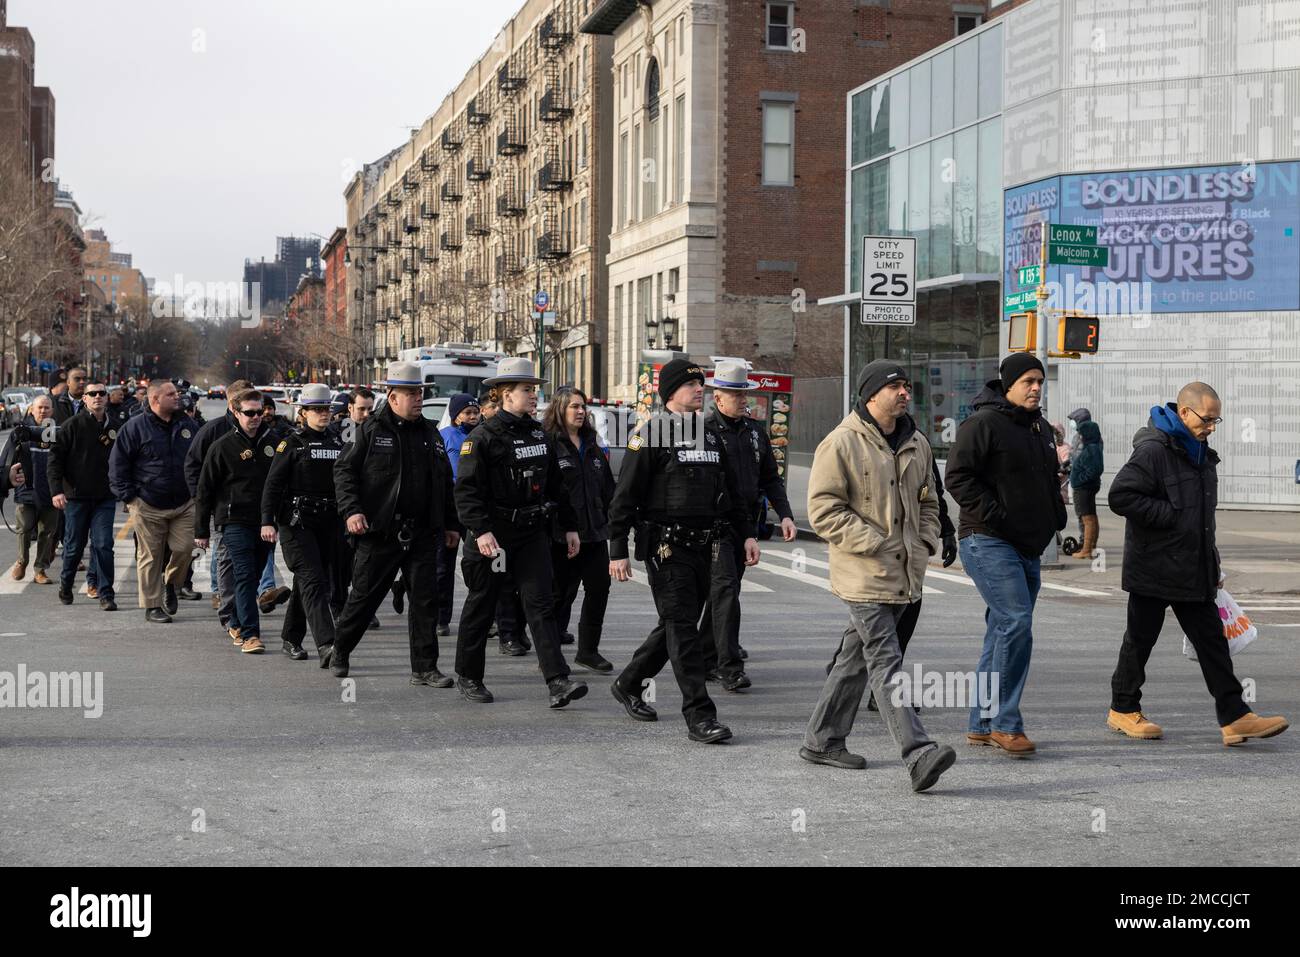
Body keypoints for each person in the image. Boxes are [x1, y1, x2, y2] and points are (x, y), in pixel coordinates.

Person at [801, 360, 956, 792]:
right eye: (895, 387)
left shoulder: (917, 442)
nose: (905, 393)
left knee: (855, 658)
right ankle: (918, 752)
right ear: (871, 395)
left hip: (905, 571)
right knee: (886, 661)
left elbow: (930, 501)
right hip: (864, 573)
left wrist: (925, 541)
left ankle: (822, 740)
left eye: (907, 386)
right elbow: (824, 510)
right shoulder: (841, 443)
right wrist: (876, 542)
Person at [1106, 382, 1288, 746]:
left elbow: (1203, 518)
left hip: (1193, 566)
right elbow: (1120, 495)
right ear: (1185, 412)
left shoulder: (1202, 454)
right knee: (1141, 640)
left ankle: (1235, 716)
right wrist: (1169, 515)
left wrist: (1212, 560)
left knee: (1212, 642)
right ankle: (1123, 709)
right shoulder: (1154, 450)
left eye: (1217, 420)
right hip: (1154, 567)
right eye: (1208, 419)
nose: (1212, 427)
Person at [607, 358, 757, 744]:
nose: (699, 390)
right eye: (691, 384)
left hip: (705, 546)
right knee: (683, 629)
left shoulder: (709, 434)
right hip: (666, 547)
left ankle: (628, 683)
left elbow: (732, 494)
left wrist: (746, 535)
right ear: (670, 391)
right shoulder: (649, 433)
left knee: (676, 624)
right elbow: (624, 497)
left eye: (701, 384)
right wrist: (617, 549)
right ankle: (700, 716)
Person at [944, 354, 1067, 756]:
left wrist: (1057, 515)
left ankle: (981, 722)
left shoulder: (1040, 429)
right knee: (1016, 622)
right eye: (1028, 381)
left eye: (1040, 381)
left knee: (1001, 629)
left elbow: (1049, 478)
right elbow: (958, 478)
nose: (1035, 388)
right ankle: (1004, 722)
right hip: (988, 539)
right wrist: (999, 516)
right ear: (1009, 384)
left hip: (1028, 545)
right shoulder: (983, 423)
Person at [452, 358, 587, 708]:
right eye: (527, 390)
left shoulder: (538, 434)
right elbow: (466, 491)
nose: (533, 396)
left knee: (540, 605)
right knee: (483, 605)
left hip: (530, 534)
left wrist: (570, 526)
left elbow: (558, 486)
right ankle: (469, 675)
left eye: (534, 390)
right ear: (504, 394)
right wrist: (480, 531)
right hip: (495, 539)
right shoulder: (483, 437)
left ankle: (558, 681)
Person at [328, 362, 460, 686]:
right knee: (363, 598)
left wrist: (451, 524)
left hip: (422, 533)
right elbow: (344, 472)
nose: (418, 399)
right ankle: (341, 650)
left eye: (420, 393)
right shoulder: (371, 430)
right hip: (380, 532)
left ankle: (425, 668)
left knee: (425, 602)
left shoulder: (430, 432)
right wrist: (352, 512)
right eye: (411, 393)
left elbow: (444, 482)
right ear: (391, 395)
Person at [698, 359, 795, 690]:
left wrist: (784, 513)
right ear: (718, 397)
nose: (742, 400)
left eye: (744, 394)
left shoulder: (755, 432)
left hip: (747, 524)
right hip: (716, 525)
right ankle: (729, 665)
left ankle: (706, 655)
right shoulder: (704, 431)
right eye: (735, 395)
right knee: (725, 591)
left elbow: (770, 477)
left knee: (724, 593)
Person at [261, 383, 344, 660]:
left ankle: (290, 638)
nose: (323, 414)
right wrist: (267, 521)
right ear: (303, 413)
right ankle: (327, 644)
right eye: (317, 410)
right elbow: (272, 486)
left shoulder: (337, 442)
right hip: (297, 523)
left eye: (326, 409)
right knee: (313, 579)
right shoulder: (292, 443)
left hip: (328, 523)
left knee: (306, 581)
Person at [108, 379, 198, 623]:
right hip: (147, 502)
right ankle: (152, 605)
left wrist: (198, 491)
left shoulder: (187, 424)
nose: (177, 397)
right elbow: (118, 465)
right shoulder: (135, 427)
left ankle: (171, 583)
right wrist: (129, 497)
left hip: (183, 502)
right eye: (170, 394)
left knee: (185, 548)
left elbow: (200, 458)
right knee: (150, 556)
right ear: (155, 399)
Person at [194, 388, 276, 653]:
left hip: (266, 521)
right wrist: (201, 531)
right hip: (233, 520)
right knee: (243, 573)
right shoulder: (222, 446)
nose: (255, 418)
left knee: (252, 576)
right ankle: (251, 635)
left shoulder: (275, 442)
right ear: (236, 412)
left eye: (259, 412)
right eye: (249, 413)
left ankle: (237, 621)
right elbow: (204, 490)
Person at [541, 386, 615, 673]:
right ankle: (551, 654)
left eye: (583, 406)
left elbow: (608, 488)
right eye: (574, 406)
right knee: (560, 594)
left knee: (599, 589)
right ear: (559, 409)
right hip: (560, 536)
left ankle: (588, 651)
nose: (581, 411)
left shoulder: (592, 444)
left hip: (594, 533)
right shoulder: (549, 443)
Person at [47, 379, 119, 611]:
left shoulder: (116, 426)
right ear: (84, 399)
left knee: (103, 545)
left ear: (107, 398)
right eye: (92, 394)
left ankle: (106, 593)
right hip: (76, 497)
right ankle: (66, 584)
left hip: (105, 497)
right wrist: (56, 491)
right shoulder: (71, 425)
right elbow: (54, 460)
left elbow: (126, 460)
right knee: (74, 546)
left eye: (102, 393)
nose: (98, 397)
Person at [185, 379, 254, 616]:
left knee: (255, 551)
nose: (254, 415)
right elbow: (193, 466)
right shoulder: (213, 431)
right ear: (233, 404)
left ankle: (264, 590)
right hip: (220, 506)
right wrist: (200, 499)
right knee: (223, 551)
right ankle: (219, 593)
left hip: (253, 507)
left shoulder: (262, 432)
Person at [328, 386, 377, 627]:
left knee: (364, 564)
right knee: (339, 562)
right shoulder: (335, 433)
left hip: (367, 507)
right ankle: (337, 605)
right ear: (349, 408)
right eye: (361, 409)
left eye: (370, 409)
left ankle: (364, 607)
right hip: (339, 507)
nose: (367, 414)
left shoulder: (377, 432)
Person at [435, 392, 480, 637]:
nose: (473, 417)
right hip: (451, 507)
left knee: (480, 563)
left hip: (475, 507)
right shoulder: (444, 437)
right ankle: (441, 617)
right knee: (443, 565)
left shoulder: (484, 437)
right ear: (455, 416)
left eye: (475, 412)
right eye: (467, 413)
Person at [3, 395, 58, 584]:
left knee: (47, 531)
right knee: (24, 528)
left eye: (47, 408)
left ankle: (40, 569)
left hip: (52, 490)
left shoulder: (58, 432)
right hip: (26, 489)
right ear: (32, 410)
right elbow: (6, 458)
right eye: (40, 407)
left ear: (52, 411)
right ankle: (21, 561)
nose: (43, 411)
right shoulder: (20, 432)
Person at [1069, 418, 1104, 560]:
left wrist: (1080, 479)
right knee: (1090, 517)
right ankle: (1091, 547)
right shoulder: (1094, 447)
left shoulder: (1092, 448)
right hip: (1086, 487)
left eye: (1082, 434)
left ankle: (1086, 550)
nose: (1080, 437)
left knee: (1087, 519)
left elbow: (1096, 469)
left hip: (1084, 489)